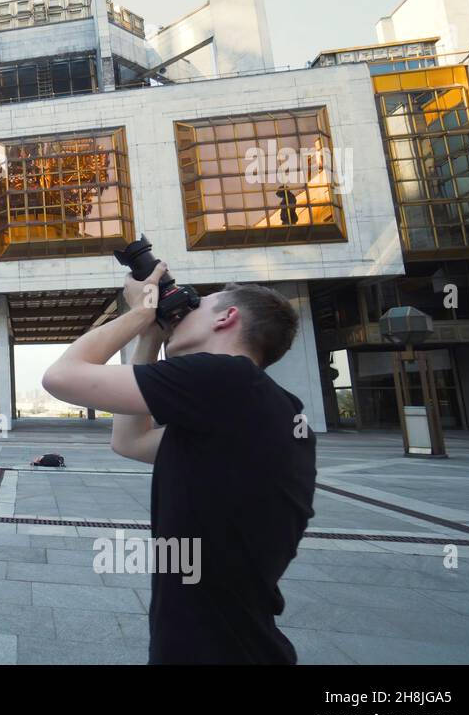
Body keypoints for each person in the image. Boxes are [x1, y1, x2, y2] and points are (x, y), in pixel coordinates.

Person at [41, 263, 316, 664]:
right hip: (234, 644)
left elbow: (60, 377)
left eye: (195, 306)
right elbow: (130, 441)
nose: (178, 316)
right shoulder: (257, 406)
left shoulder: (226, 378)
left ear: (227, 317)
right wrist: (150, 338)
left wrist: (137, 313)